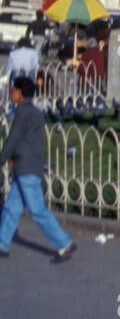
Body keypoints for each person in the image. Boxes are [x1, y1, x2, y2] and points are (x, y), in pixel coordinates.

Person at [0, 76, 76, 262]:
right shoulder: (33, 112)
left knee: (37, 210)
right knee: (11, 207)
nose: (10, 93)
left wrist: (2, 158)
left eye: (12, 90)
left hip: (27, 168)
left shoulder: (23, 113)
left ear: (18, 92)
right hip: (26, 166)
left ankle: (63, 242)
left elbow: (13, 140)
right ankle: (2, 243)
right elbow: (28, 142)